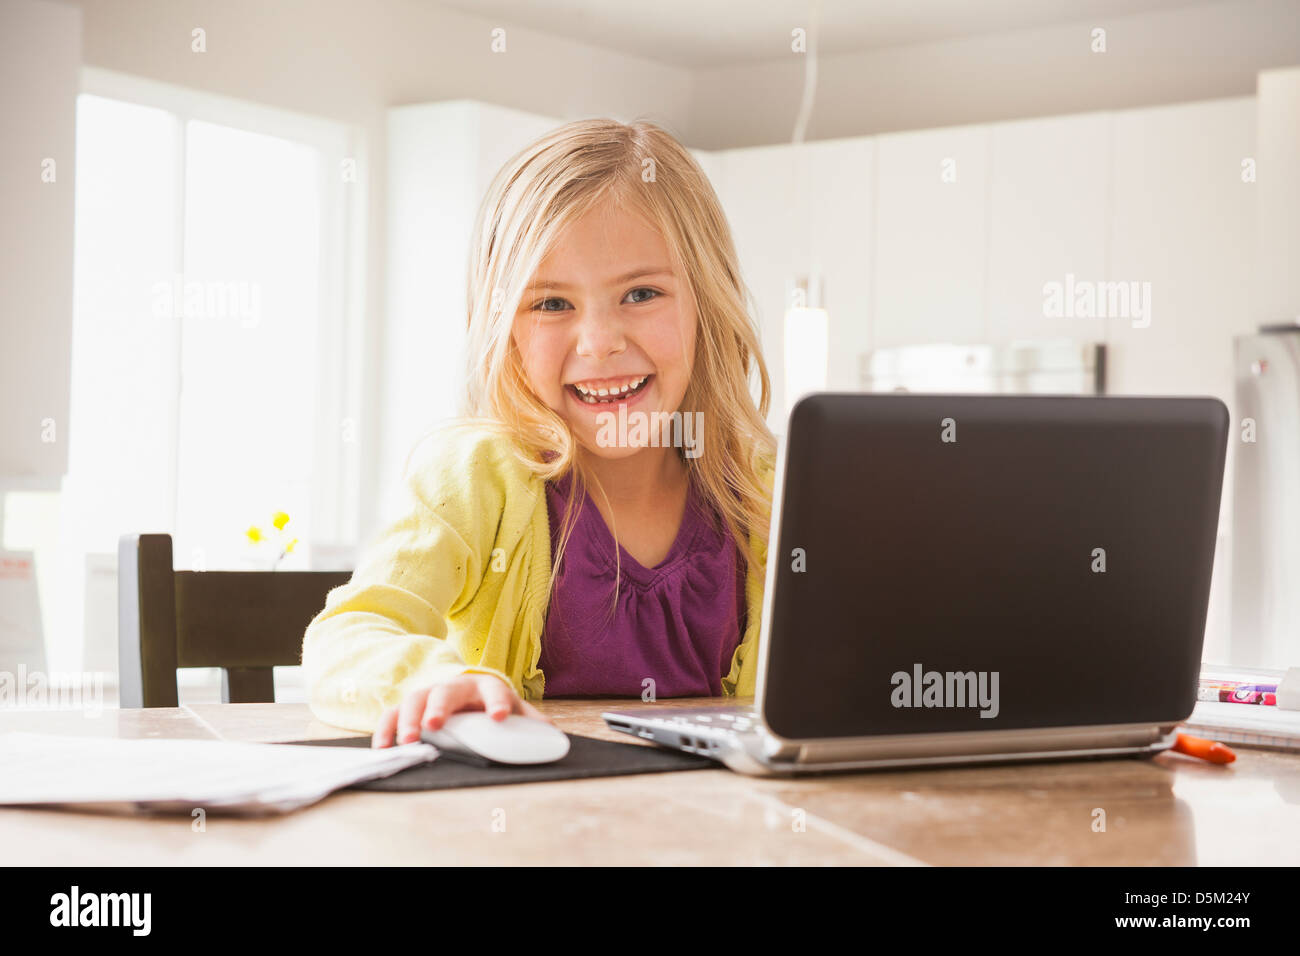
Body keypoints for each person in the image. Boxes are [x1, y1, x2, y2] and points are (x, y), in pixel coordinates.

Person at [300, 118, 777, 747]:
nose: (601, 343)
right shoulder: (477, 481)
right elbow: (347, 637)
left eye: (640, 293)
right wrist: (429, 684)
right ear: (505, 329)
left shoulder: (767, 493)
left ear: (707, 305)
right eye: (551, 304)